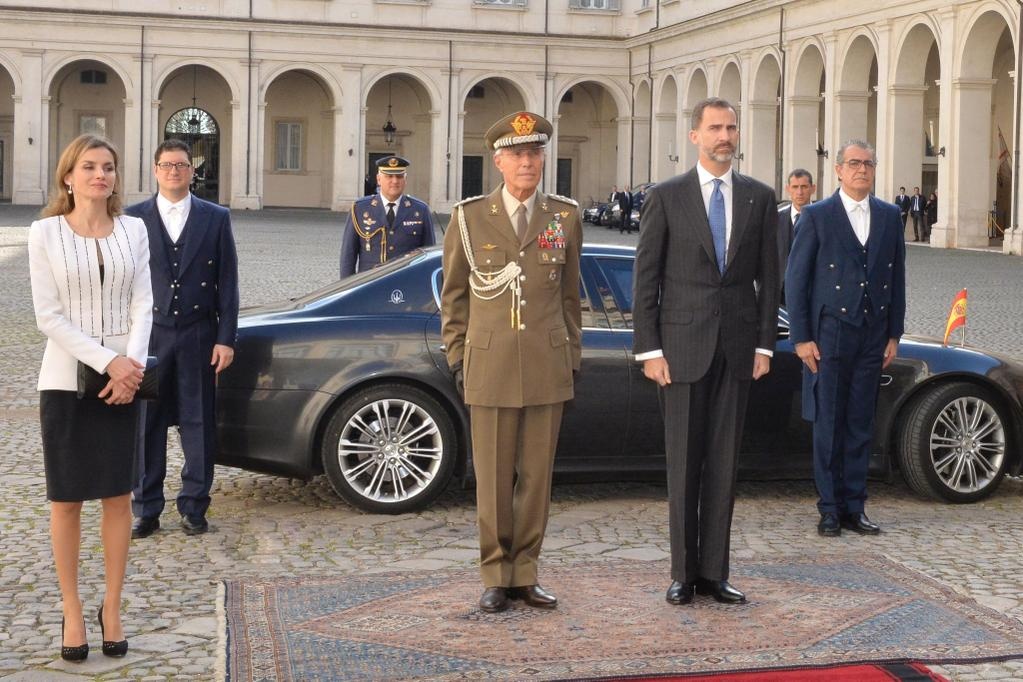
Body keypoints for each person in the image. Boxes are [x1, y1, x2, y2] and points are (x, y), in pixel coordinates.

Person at [633, 98, 779, 607]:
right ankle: (682, 573)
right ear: (694, 135)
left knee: (723, 464)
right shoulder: (667, 196)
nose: (725, 136)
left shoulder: (760, 197)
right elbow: (646, 278)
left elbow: (769, 277)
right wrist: (649, 349)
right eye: (715, 128)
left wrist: (765, 344)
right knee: (684, 465)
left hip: (738, 350)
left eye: (731, 127)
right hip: (679, 351)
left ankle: (716, 572)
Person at [441, 111, 582, 613]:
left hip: (547, 365)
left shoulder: (564, 217)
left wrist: (573, 358)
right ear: (498, 161)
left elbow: (570, 299)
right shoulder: (469, 218)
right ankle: (495, 573)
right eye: (518, 154)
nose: (528, 161)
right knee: (495, 477)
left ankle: (526, 572)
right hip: (490, 364)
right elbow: (454, 298)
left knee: (537, 478)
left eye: (535, 153)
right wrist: (459, 358)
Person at [28, 134, 153, 661]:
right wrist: (110, 362)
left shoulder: (135, 230)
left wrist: (132, 368)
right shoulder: (44, 233)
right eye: (89, 167)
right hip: (65, 380)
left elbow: (145, 302)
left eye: (108, 167)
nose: (100, 175)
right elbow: (47, 315)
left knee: (118, 498)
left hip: (123, 382)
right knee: (66, 500)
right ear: (68, 176)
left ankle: (113, 606)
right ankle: (73, 609)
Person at [785, 139, 906, 538]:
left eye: (868, 164)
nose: (862, 170)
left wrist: (894, 333)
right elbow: (796, 281)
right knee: (828, 423)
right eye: (854, 163)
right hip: (829, 334)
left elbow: (897, 278)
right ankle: (830, 509)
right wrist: (801, 338)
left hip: (873, 335)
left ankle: (855, 506)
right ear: (837, 170)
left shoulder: (889, 216)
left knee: (860, 423)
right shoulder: (818, 216)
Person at [128, 139, 239, 539]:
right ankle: (146, 508)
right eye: (166, 164)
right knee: (147, 423)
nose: (174, 171)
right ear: (155, 170)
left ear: (193, 171)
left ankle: (194, 505)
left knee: (198, 422)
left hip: (198, 333)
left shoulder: (215, 217)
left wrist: (226, 338)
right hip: (150, 337)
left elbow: (227, 282)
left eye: (181, 165)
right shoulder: (133, 218)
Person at [340, 156, 435, 278]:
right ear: (379, 179)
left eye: (399, 176)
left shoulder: (420, 210)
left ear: (405, 180)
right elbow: (348, 256)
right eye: (389, 176)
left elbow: (428, 255)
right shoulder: (360, 209)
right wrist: (347, 291)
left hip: (407, 283)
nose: (395, 181)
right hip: (370, 284)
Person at [778, 169, 815, 300]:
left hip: (813, 290)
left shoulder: (824, 218)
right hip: (781, 293)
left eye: (804, 187)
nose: (799, 192)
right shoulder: (775, 218)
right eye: (795, 187)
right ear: (788, 189)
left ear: (813, 188)